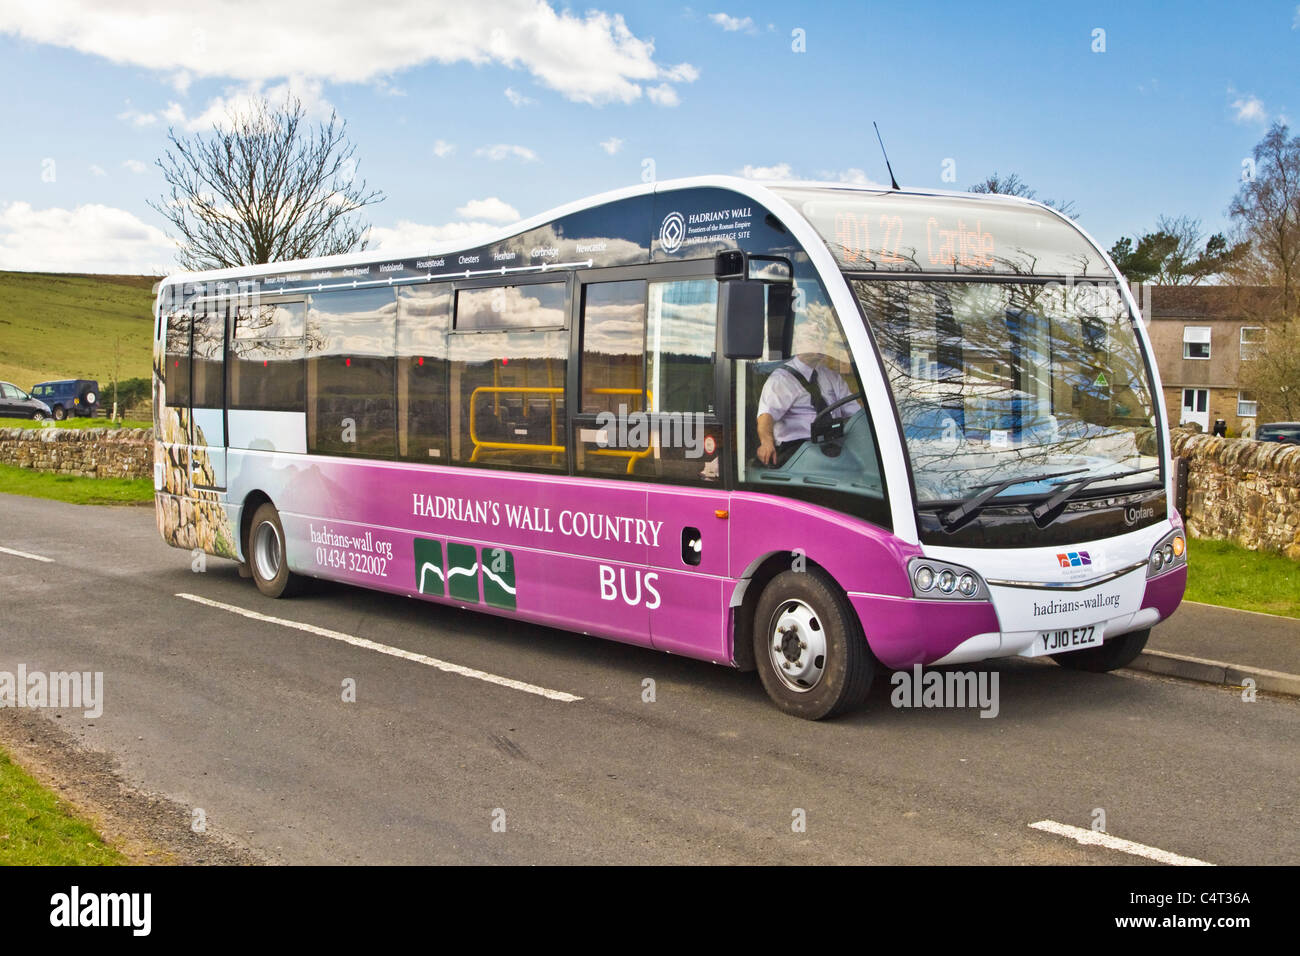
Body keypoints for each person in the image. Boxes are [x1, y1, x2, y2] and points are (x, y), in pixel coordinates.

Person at [756, 319, 861, 466]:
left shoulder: (831, 376)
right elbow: (766, 416)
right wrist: (766, 442)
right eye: (812, 338)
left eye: (821, 339)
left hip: (834, 444)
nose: (818, 343)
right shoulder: (781, 378)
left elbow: (855, 414)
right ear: (797, 343)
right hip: (798, 452)